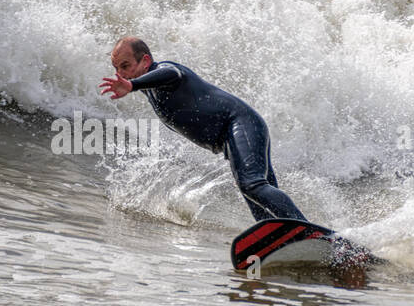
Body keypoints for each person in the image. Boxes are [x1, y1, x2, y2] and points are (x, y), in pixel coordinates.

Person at [99, 36, 307, 223]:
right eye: (116, 69)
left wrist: (132, 85)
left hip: (240, 123)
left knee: (251, 184)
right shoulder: (150, 89)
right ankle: (281, 238)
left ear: (144, 61)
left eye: (125, 66)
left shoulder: (163, 70)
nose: (120, 75)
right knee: (254, 193)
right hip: (230, 138)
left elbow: (172, 73)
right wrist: (134, 85)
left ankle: (307, 232)